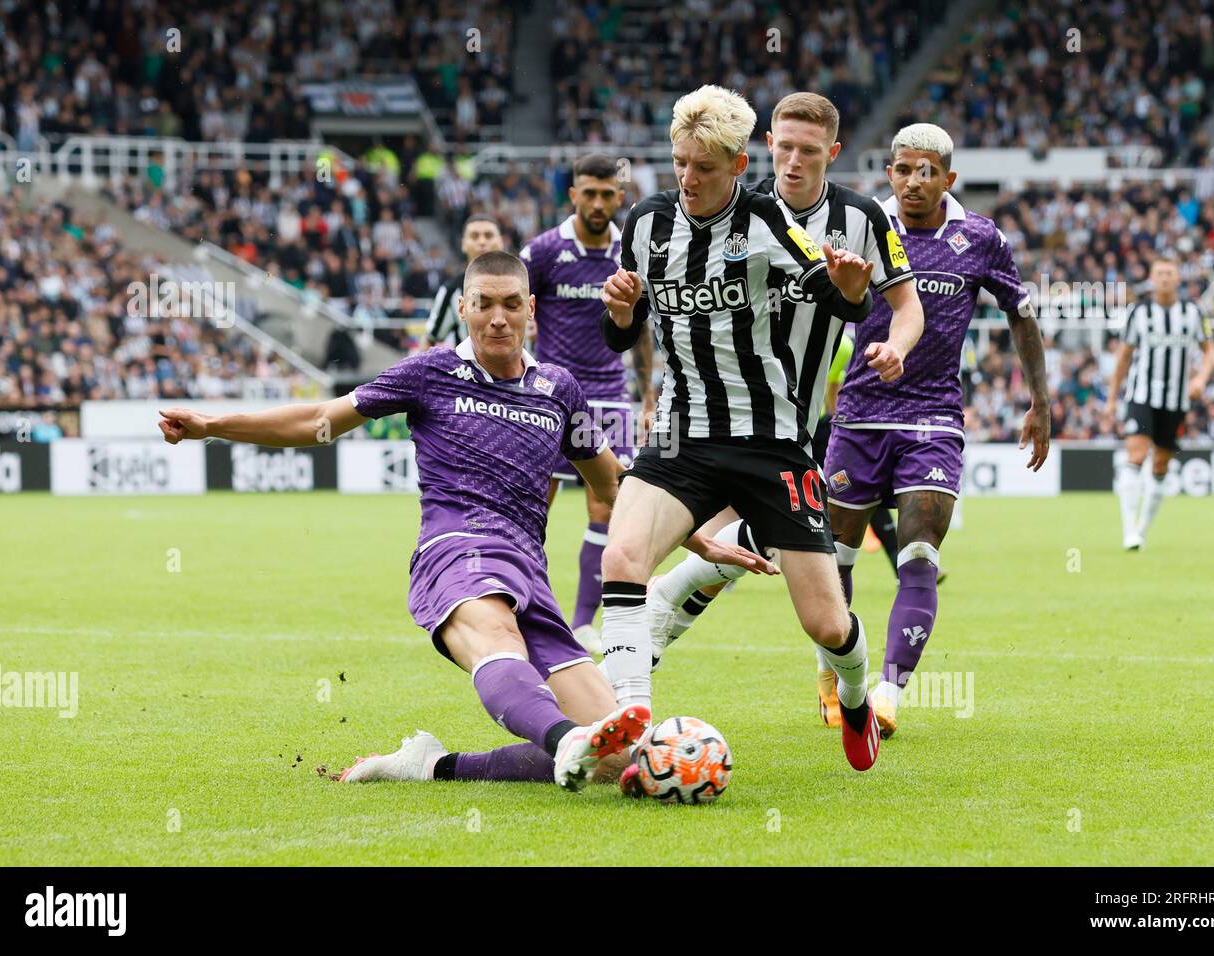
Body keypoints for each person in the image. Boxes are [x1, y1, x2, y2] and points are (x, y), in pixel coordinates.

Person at [158, 250, 770, 792]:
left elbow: (613, 486)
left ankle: (430, 766)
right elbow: (319, 419)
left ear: (532, 308)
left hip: (530, 571)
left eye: (510, 304)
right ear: (464, 307)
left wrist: (698, 542)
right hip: (457, 551)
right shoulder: (429, 372)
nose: (497, 318)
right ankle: (562, 743)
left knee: (618, 755)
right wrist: (214, 425)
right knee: (503, 649)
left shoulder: (558, 389)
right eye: (483, 305)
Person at [599, 85, 922, 773]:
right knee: (621, 559)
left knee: (827, 625)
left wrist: (853, 287)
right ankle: (630, 722)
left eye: (703, 167)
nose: (687, 178)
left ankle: (859, 697)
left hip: (772, 439)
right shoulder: (646, 225)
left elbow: (832, 295)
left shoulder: (770, 223)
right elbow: (617, 335)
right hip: (681, 437)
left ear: (738, 165)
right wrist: (623, 311)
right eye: (679, 162)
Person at [820, 122, 1050, 738]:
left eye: (929, 171)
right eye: (904, 169)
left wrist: (1040, 403)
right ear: (889, 173)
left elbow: (1020, 315)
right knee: (833, 557)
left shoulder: (979, 238)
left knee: (918, 550)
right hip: (860, 416)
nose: (915, 180)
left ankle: (888, 693)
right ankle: (838, 676)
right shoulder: (862, 227)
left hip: (933, 419)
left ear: (949, 178)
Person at [520, 153, 655, 654]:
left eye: (607, 194)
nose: (598, 203)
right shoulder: (542, 252)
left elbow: (639, 326)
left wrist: (646, 394)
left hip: (610, 401)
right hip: (549, 401)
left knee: (606, 507)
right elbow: (513, 310)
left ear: (619, 197)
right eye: (588, 193)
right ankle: (529, 605)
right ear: (573, 194)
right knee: (534, 508)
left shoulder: (631, 252)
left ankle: (580, 621)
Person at [1104, 257, 1214, 550]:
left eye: (1170, 273)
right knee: (1136, 456)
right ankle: (1129, 531)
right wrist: (1113, 398)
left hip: (1176, 401)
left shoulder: (1193, 312)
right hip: (1141, 396)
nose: (1165, 278)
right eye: (1160, 273)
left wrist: (1201, 378)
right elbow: (1124, 357)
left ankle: (1141, 529)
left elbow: (1208, 348)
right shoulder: (1138, 313)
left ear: (1178, 279)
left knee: (1161, 465)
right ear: (1152, 279)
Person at [425, 215, 505, 347]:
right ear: (463, 244)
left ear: (501, 241)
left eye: (489, 235)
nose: (482, 242)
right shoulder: (451, 290)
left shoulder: (527, 283)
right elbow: (430, 338)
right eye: (474, 236)